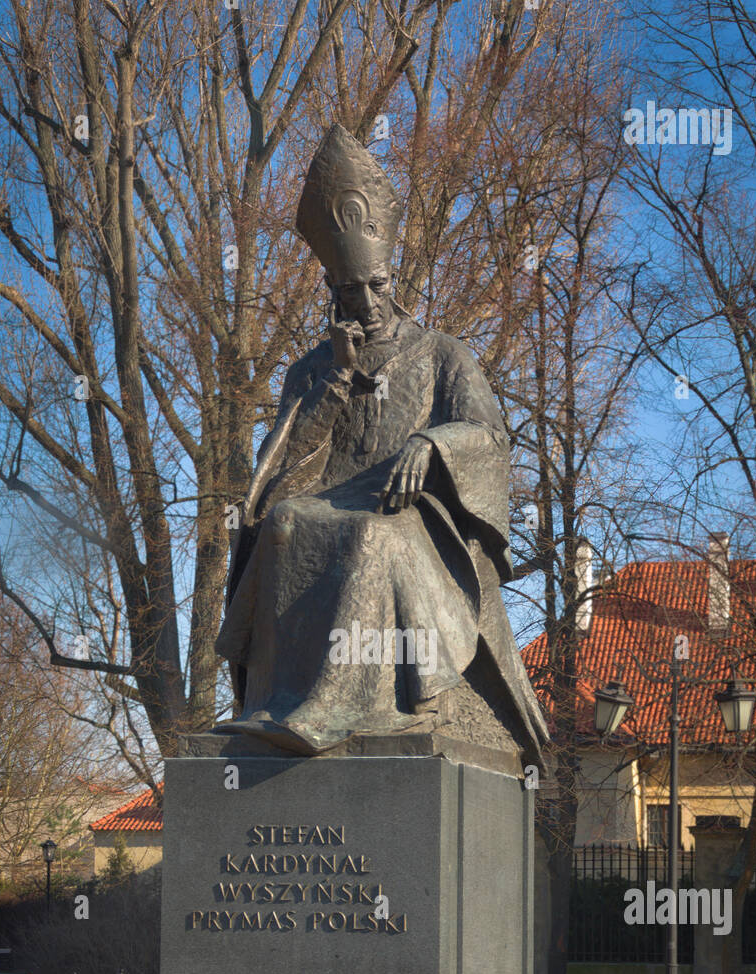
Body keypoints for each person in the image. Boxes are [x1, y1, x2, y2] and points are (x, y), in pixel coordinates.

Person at [215, 124, 546, 762]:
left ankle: (328, 708)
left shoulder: (443, 354)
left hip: (417, 520)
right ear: (332, 292)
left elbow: (489, 437)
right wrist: (335, 380)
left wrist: (432, 444)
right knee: (282, 524)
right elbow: (282, 475)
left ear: (395, 279)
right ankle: (271, 705)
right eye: (349, 290)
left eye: (377, 286)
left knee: (369, 535)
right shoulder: (310, 370)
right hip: (326, 504)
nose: (365, 301)